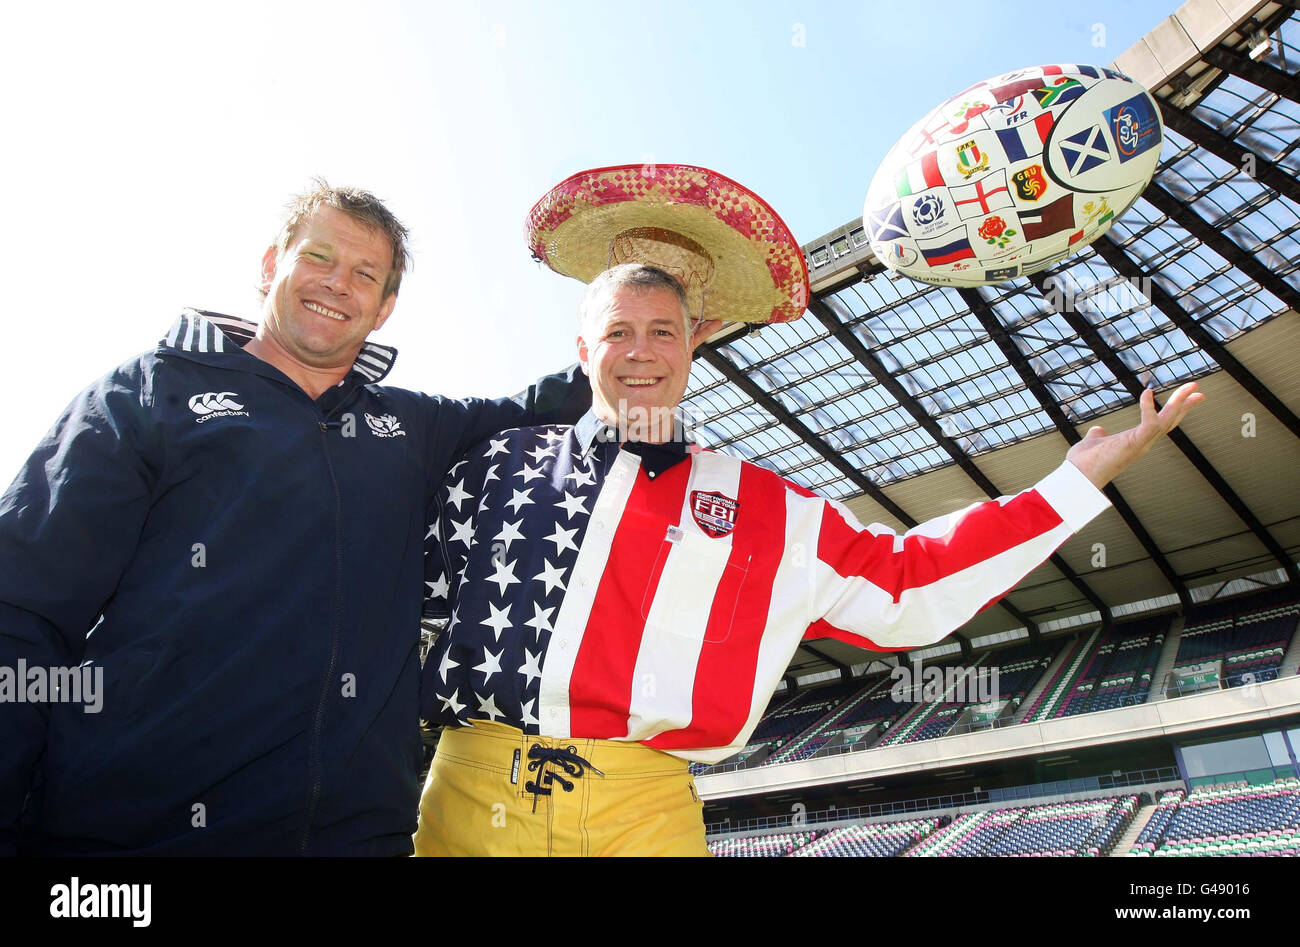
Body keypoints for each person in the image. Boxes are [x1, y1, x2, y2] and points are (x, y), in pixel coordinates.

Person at [409, 166, 1203, 857]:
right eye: (618, 332)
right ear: (584, 352)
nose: (641, 351)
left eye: (662, 332)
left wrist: (1070, 484)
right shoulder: (491, 468)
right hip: (472, 794)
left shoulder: (775, 509)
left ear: (694, 346)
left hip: (643, 812)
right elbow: (391, 612)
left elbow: (911, 587)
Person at [0, 181, 589, 856]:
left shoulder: (409, 425)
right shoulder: (153, 391)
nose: (338, 283)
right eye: (319, 258)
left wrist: (654, 335)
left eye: (365, 274)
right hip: (131, 843)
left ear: (385, 307)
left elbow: (539, 409)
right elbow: (21, 609)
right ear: (269, 264)